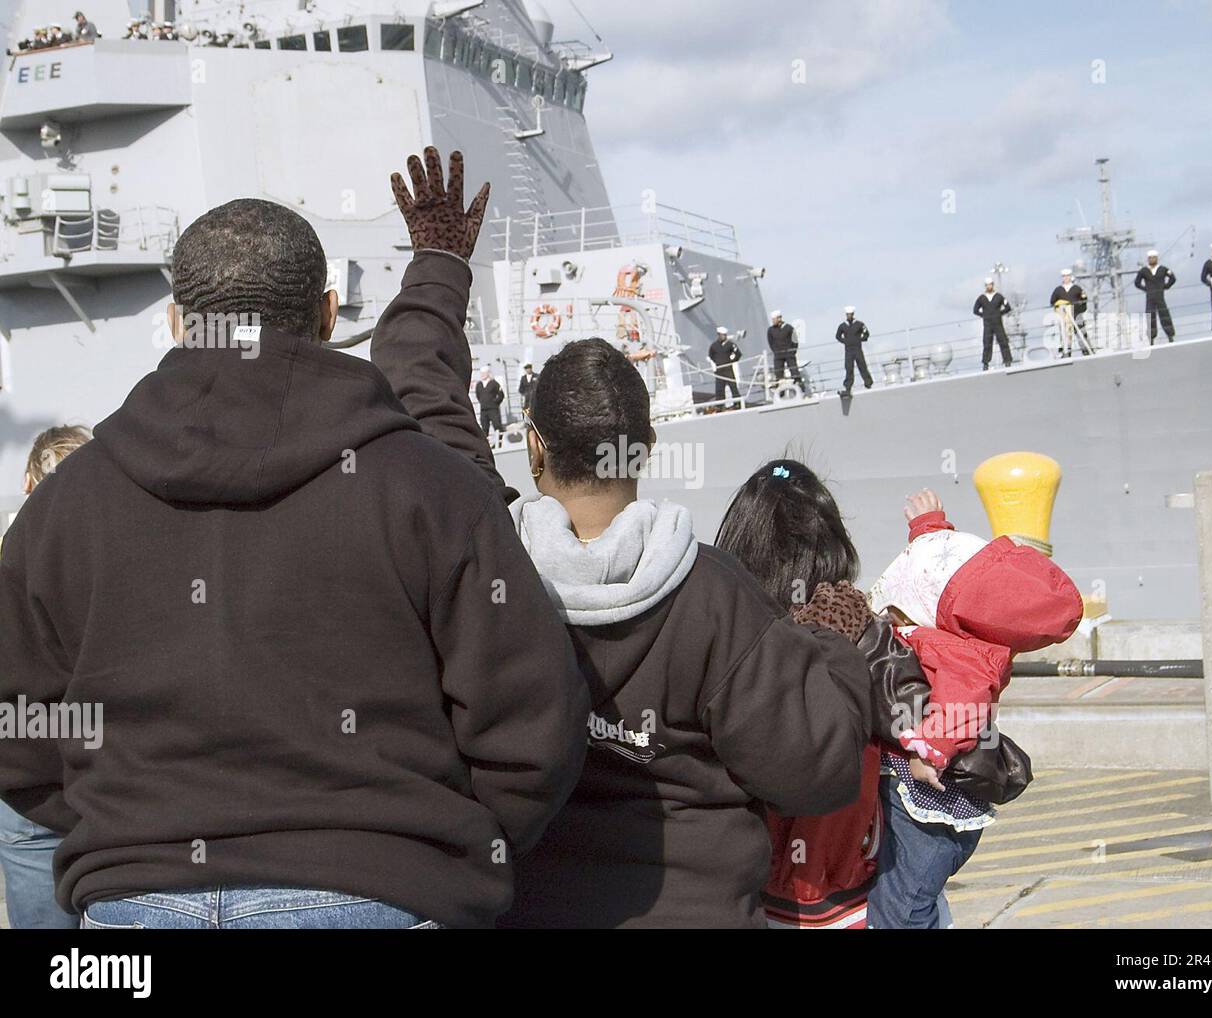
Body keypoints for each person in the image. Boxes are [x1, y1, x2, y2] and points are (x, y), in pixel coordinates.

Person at [0, 194, 589, 929]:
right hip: (380, 892)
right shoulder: (432, 487)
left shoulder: (61, 508)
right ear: (328, 314)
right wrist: (440, 842)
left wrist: (126, 830)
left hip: (134, 907)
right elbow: (533, 722)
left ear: (180, 322)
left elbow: (21, 733)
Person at [371, 147, 910, 928]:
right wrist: (830, 647)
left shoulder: (481, 555)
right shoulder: (718, 597)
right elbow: (815, 770)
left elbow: (420, 392)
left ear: (533, 445)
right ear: (645, 447)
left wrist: (439, 263)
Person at [713, 460, 930, 929]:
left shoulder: (725, 633)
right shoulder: (862, 631)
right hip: (849, 886)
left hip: (747, 890)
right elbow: (921, 714)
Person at [865, 489, 1082, 928]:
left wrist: (929, 751)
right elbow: (951, 577)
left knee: (903, 906)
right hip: (919, 795)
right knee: (908, 894)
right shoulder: (959, 628)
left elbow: (963, 704)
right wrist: (928, 524)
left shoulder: (961, 652)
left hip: (929, 797)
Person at [0, 427, 91, 930]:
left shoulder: (13, 549)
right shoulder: (119, 545)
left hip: (31, 794)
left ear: (27, 480)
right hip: (112, 788)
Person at [1135, 249, 1176, 343]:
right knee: (1150, 317)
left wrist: (1166, 286)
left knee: (1165, 315)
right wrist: (1145, 288)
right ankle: (1151, 338)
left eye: (1154, 258)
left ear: (1157, 258)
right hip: (1149, 297)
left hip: (1160, 297)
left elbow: (1173, 278)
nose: (1152, 259)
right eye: (1150, 258)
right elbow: (1137, 283)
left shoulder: (1163, 269)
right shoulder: (1143, 271)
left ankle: (1170, 335)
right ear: (1147, 259)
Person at [973, 278, 1013, 370]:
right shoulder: (981, 298)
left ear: (993, 285)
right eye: (987, 285)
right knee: (987, 343)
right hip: (987, 324)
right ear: (985, 286)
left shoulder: (999, 296)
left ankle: (1007, 361)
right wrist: (983, 315)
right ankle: (985, 363)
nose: (989, 286)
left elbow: (1008, 307)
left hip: (998, 323)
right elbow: (975, 310)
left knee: (1003, 341)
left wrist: (999, 313)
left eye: (990, 284)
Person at [766, 310, 807, 395]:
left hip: (789, 353)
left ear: (779, 318)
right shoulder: (771, 330)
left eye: (774, 319)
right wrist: (776, 351)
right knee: (778, 372)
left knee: (793, 369)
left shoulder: (789, 328)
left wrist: (792, 351)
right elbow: (771, 342)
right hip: (778, 354)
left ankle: (799, 384)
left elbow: (795, 340)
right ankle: (781, 389)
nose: (773, 321)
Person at [1049, 269, 1088, 356]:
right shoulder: (1058, 290)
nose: (1066, 278)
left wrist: (1079, 309)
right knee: (1066, 335)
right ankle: (1066, 352)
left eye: (1067, 276)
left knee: (1081, 333)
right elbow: (1052, 302)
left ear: (1070, 277)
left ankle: (1086, 350)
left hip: (1076, 315)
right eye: (1064, 276)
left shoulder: (1077, 289)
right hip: (1064, 318)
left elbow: (1084, 299)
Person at [836, 305, 871, 394]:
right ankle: (848, 386)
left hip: (857, 348)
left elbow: (866, 333)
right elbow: (838, 336)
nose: (849, 316)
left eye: (850, 314)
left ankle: (868, 382)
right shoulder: (843, 326)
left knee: (862, 365)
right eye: (847, 314)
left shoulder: (859, 324)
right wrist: (845, 341)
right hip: (848, 350)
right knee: (849, 368)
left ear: (853, 314)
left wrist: (861, 339)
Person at [708, 325, 742, 408]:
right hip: (719, 370)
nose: (724, 336)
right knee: (719, 389)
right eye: (723, 335)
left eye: (725, 335)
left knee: (733, 387)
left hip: (728, 369)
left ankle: (737, 403)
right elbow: (711, 355)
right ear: (719, 335)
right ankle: (720, 405)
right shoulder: (714, 346)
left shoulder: (730, 345)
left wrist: (732, 361)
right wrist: (717, 362)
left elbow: (738, 354)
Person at [474, 367, 505, 441]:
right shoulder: (479, 384)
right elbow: (478, 395)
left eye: (484, 373)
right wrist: (483, 402)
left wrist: (495, 402)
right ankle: (486, 444)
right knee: (484, 427)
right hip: (483, 409)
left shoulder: (494, 383)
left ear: (488, 373)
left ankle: (500, 441)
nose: (482, 375)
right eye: (481, 373)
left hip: (493, 409)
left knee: (497, 425)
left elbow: (501, 395)